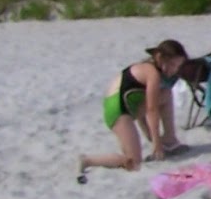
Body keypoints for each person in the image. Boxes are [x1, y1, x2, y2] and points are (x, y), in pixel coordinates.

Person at [78, 40, 191, 182]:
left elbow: (143, 106)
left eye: (178, 66)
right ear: (161, 58)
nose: (175, 70)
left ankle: (169, 139)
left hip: (128, 107)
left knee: (166, 94)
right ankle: (88, 160)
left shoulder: (152, 69)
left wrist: (150, 136)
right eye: (173, 65)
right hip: (117, 111)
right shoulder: (152, 73)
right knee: (133, 162)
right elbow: (151, 110)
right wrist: (156, 144)